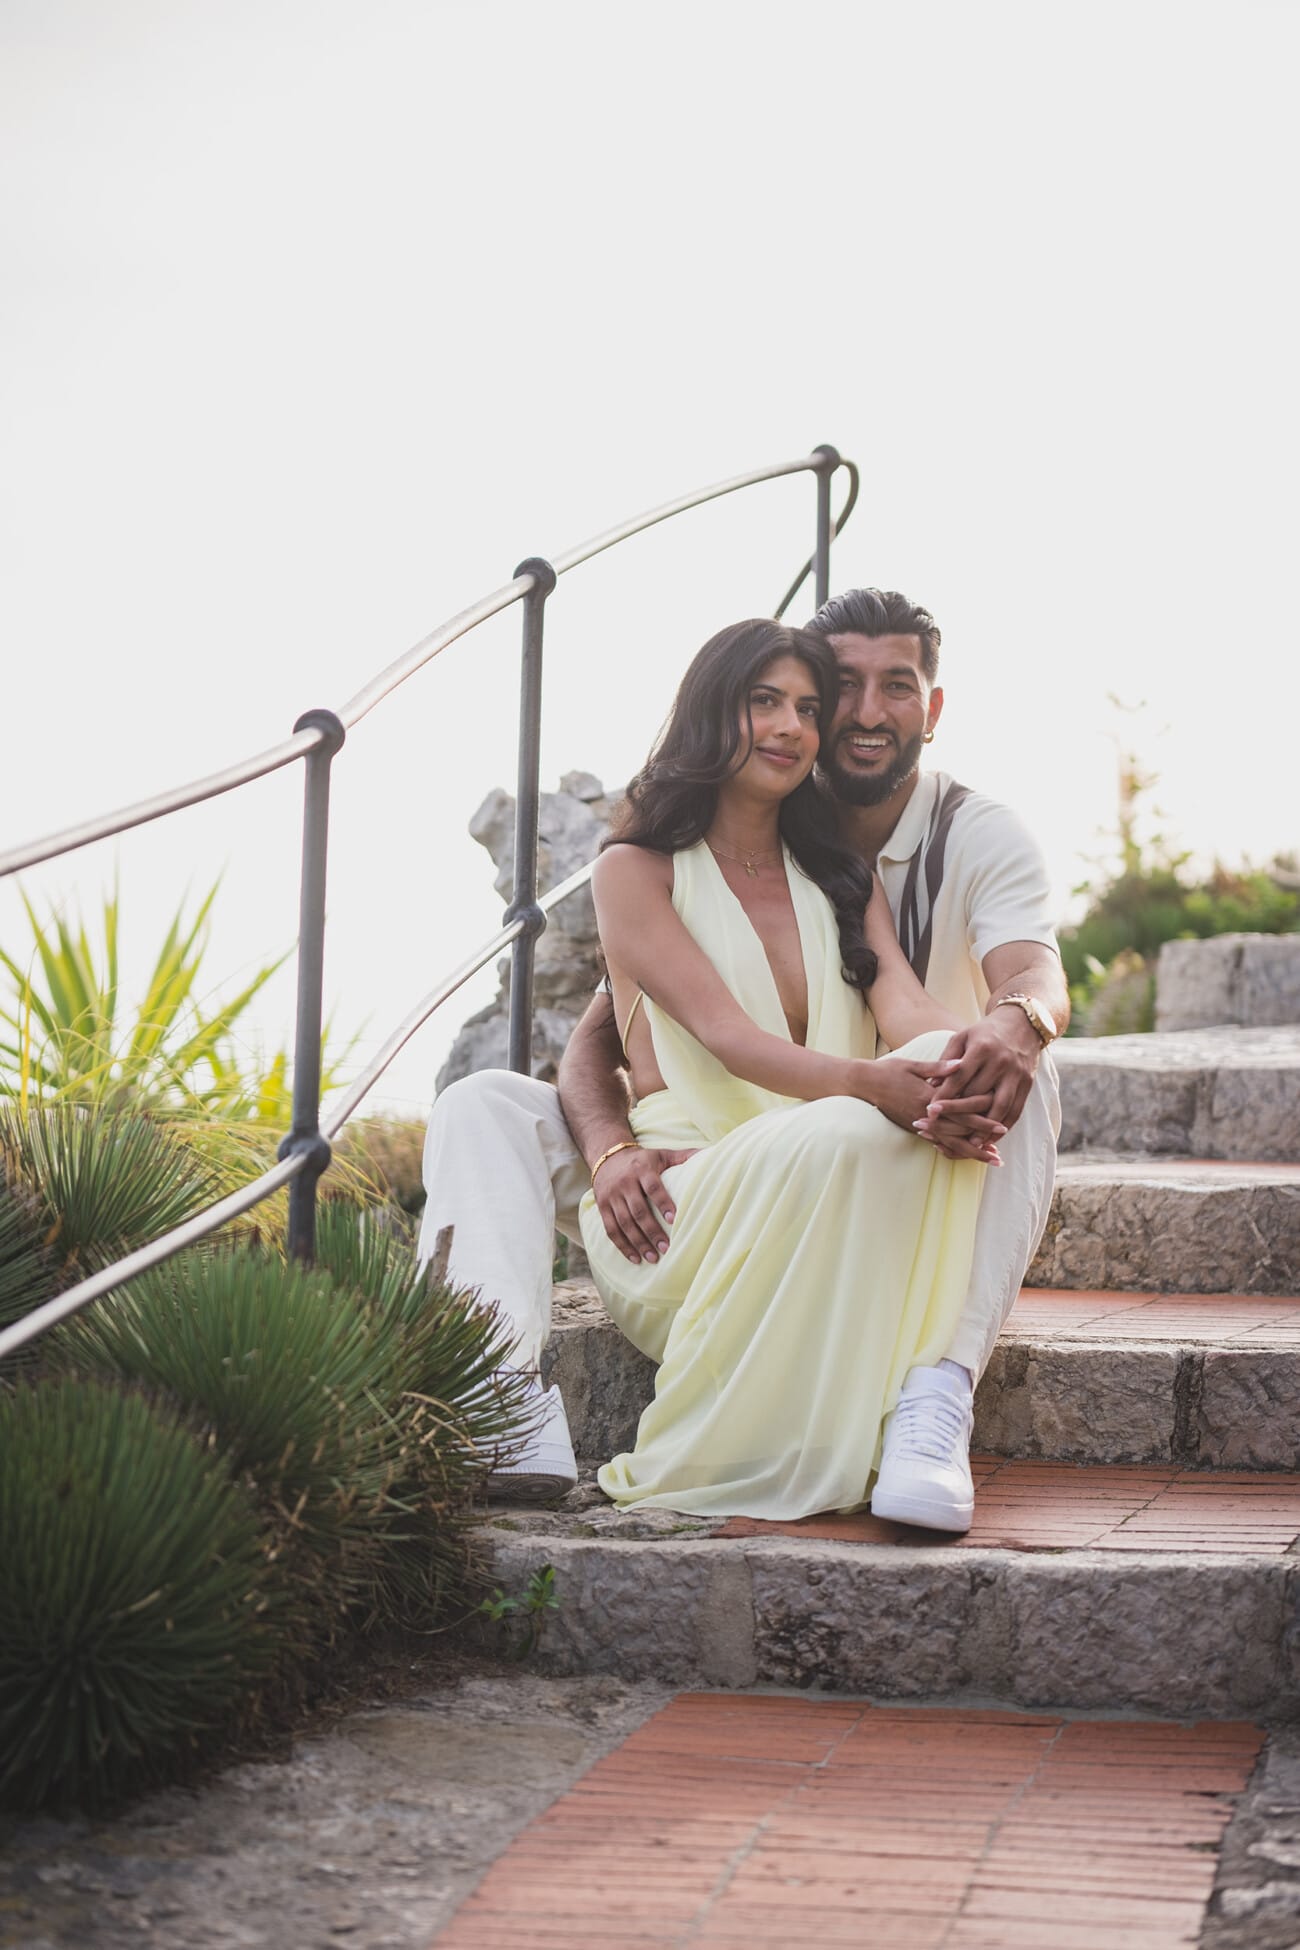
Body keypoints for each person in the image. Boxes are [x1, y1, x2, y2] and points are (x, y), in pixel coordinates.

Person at [419, 588, 1066, 1525]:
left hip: (820, 1177)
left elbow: (908, 1010)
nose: (792, 727)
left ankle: (936, 1395)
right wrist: (614, 1148)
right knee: (481, 1100)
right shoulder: (636, 870)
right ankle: (499, 1396)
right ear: (711, 710)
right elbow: (720, 1034)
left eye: (806, 707)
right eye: (766, 701)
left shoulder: (840, 875)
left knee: (1008, 1061)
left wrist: (986, 1049)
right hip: (683, 1208)